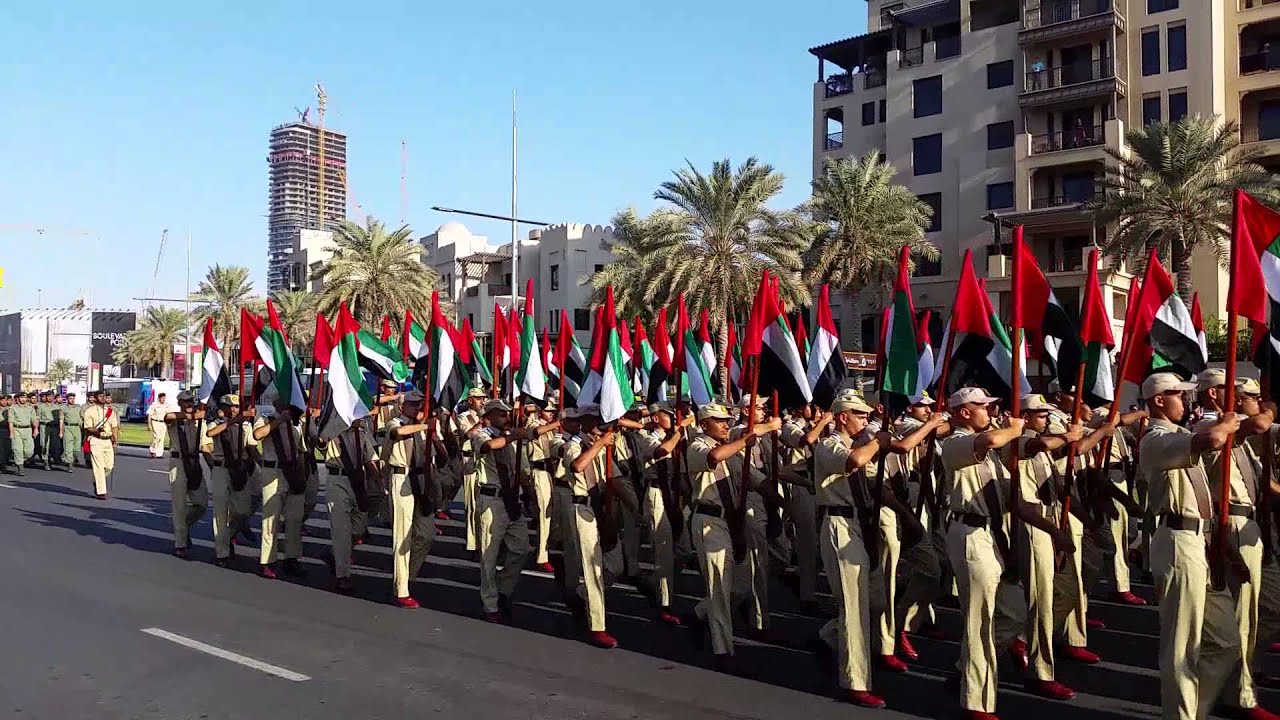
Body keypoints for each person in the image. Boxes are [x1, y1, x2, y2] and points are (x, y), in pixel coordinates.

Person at [943, 387, 1075, 720]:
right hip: (970, 533)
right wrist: (1016, 429)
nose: (990, 411)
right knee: (980, 620)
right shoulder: (956, 442)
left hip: (994, 533)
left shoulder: (991, 454)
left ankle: (966, 670)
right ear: (962, 412)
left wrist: (1054, 531)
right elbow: (988, 441)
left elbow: (1014, 502)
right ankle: (976, 701)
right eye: (982, 407)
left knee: (1012, 612)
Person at [1194, 374, 1279, 720]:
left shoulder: (1235, 434)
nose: (1255, 403)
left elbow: (1263, 483)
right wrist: (1270, 409)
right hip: (1232, 527)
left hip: (1253, 523)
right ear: (1215, 394)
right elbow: (1260, 423)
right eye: (1246, 396)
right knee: (1243, 615)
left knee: (1267, 607)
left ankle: (1241, 673)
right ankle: (1239, 696)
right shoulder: (1209, 428)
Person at [683, 401, 779, 670]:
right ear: (703, 425)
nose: (726, 424)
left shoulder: (732, 452)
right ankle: (723, 650)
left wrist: (776, 498)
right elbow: (714, 458)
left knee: (743, 582)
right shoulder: (697, 446)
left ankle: (700, 613)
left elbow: (753, 477)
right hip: (708, 520)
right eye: (719, 420)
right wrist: (747, 439)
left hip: (732, 520)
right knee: (718, 585)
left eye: (727, 420)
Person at [566, 404, 632, 648]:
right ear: (584, 422)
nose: (600, 427)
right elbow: (577, 466)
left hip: (603, 508)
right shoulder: (574, 444)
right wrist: (599, 444)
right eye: (595, 422)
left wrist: (634, 509)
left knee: (615, 565)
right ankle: (597, 626)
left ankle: (582, 596)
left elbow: (614, 481)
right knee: (593, 568)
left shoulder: (603, 447)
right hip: (583, 508)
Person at [473, 398, 539, 622]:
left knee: (521, 549)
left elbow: (522, 471)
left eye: (507, 414)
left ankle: (503, 588)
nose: (506, 417)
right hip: (492, 501)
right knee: (488, 556)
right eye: (501, 414)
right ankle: (490, 604)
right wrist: (513, 436)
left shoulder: (512, 440)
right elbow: (487, 447)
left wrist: (530, 497)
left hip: (513, 500)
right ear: (489, 416)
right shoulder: (483, 434)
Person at [383, 390, 440, 608]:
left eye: (420, 405)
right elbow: (398, 433)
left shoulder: (424, 428)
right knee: (402, 535)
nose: (417, 408)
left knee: (426, 534)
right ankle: (401, 589)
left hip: (420, 478)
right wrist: (425, 426)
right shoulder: (395, 422)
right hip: (401, 477)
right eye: (413, 405)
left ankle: (408, 576)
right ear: (402, 406)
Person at [250, 398, 308, 579]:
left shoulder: (297, 424)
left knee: (294, 519)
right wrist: (279, 420)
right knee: (270, 519)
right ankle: (268, 560)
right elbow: (257, 435)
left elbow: (301, 450)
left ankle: (292, 558)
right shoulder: (266, 418)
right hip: (272, 472)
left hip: (293, 472)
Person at [323, 418, 376, 594]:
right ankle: (342, 576)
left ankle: (335, 555)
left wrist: (378, 480)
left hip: (358, 481)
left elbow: (369, 460)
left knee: (359, 527)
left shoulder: (361, 434)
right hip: (337, 479)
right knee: (342, 531)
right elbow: (320, 441)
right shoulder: (333, 430)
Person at [204, 395, 255, 568]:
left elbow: (251, 447)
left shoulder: (244, 425)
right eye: (230, 406)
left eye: (236, 406)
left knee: (243, 510)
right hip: (220, 469)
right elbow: (210, 433)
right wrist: (232, 422)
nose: (233, 409)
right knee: (220, 511)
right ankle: (222, 553)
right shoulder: (217, 423)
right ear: (223, 408)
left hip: (238, 469)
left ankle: (228, 535)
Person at [164, 392, 209, 559]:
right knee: (179, 504)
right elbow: (168, 417)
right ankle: (180, 543)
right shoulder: (176, 418)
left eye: (191, 401)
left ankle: (183, 526)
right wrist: (190, 415)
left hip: (193, 461)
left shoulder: (198, 419)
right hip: (178, 461)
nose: (189, 403)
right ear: (179, 402)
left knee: (202, 502)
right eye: (185, 401)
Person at [456, 387, 488, 552]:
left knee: (485, 503)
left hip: (483, 461)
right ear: (470, 400)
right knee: (472, 504)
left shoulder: (486, 417)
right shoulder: (464, 417)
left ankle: (484, 539)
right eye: (478, 398)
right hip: (470, 461)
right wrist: (481, 422)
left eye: (483, 398)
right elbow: (467, 434)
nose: (482, 401)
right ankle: (472, 542)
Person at [82, 390, 119, 497]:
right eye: (100, 396)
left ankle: (97, 481)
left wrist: (115, 441)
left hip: (108, 441)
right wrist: (97, 430)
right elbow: (88, 427)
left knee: (109, 466)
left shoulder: (111, 411)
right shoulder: (90, 411)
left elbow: (114, 426)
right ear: (95, 397)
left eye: (104, 396)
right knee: (98, 466)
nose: (103, 398)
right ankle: (101, 491)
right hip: (96, 440)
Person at [9, 390, 37, 475]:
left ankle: (20, 459)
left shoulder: (30, 408)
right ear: (18, 399)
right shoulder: (13, 408)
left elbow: (34, 420)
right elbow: (11, 422)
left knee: (29, 451)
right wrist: (11, 432)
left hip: (28, 430)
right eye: (21, 397)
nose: (23, 399)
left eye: (24, 397)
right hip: (16, 429)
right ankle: (20, 467)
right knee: (18, 449)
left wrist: (36, 429)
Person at [60, 392, 82, 472]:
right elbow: (61, 420)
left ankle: (73, 457)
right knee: (68, 446)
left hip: (77, 428)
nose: (72, 400)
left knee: (77, 448)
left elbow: (82, 417)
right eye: (70, 398)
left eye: (73, 398)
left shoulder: (78, 407)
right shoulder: (63, 408)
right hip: (68, 427)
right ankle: (70, 464)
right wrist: (61, 431)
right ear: (67, 399)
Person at [148, 392, 169, 458]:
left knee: (162, 438)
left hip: (163, 423)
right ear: (159, 398)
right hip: (155, 422)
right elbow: (149, 415)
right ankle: (152, 449)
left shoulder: (166, 405)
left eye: (164, 398)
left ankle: (159, 454)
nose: (163, 399)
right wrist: (149, 424)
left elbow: (168, 414)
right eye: (162, 398)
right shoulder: (154, 405)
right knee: (157, 437)